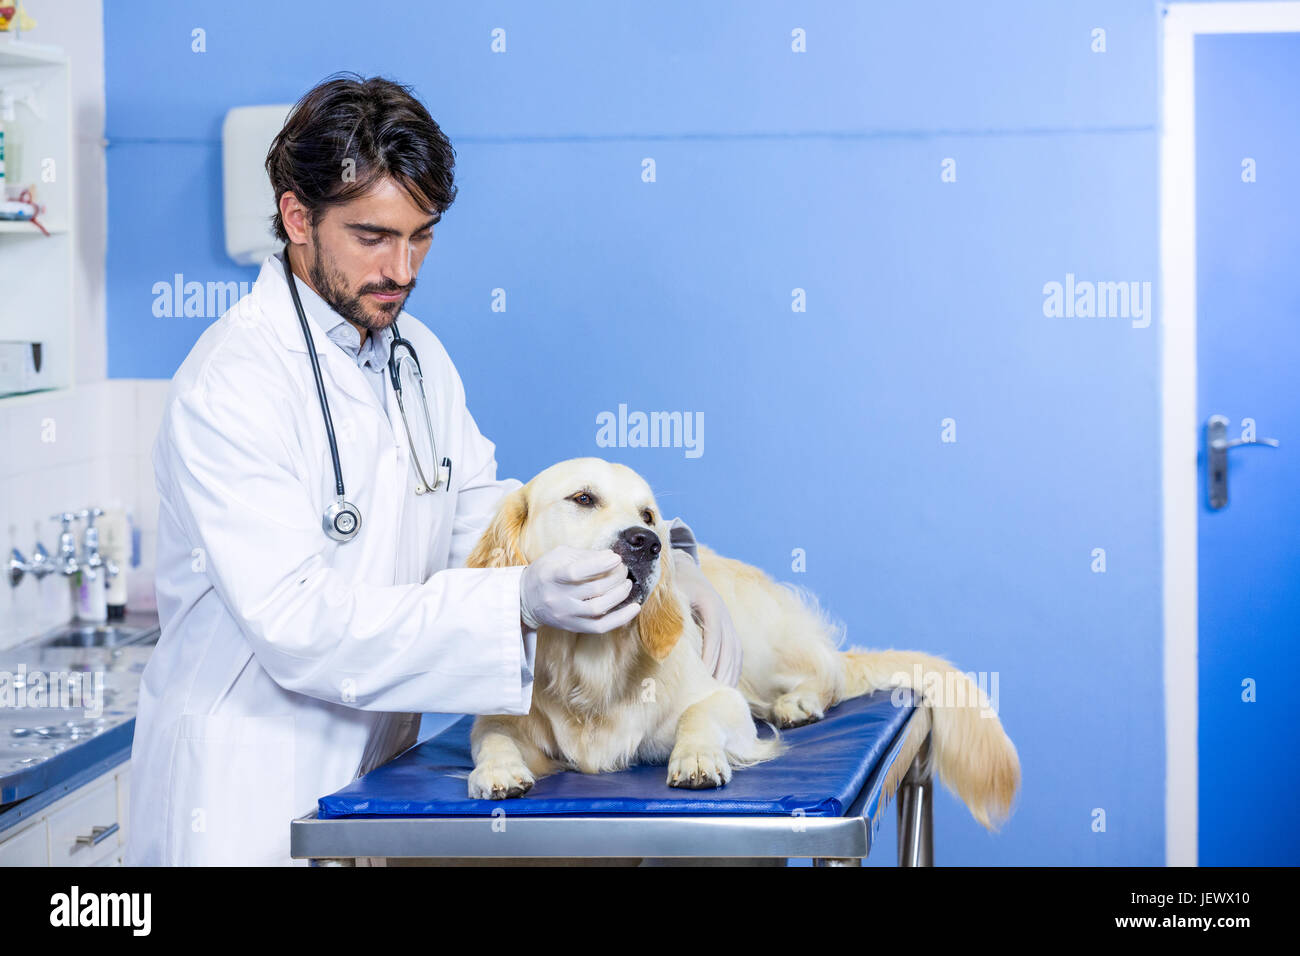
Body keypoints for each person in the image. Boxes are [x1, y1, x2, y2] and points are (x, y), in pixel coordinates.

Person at [126, 74, 741, 866]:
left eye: (422, 236)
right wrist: (517, 603)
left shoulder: (418, 362)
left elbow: (488, 526)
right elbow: (300, 625)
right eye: (373, 236)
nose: (402, 267)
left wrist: (662, 564)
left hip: (378, 784)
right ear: (296, 217)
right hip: (247, 791)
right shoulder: (232, 384)